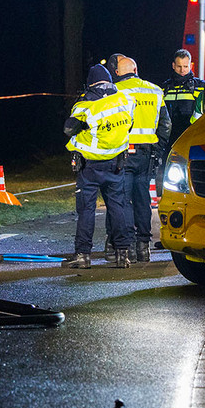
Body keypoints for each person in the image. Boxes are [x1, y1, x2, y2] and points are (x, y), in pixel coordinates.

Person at [62, 63, 134, 269]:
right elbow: (129, 124)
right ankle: (123, 254)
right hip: (116, 164)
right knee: (117, 208)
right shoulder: (124, 100)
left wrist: (82, 124)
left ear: (91, 83)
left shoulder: (85, 105)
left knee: (86, 210)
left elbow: (68, 129)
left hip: (90, 167)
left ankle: (83, 255)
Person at [112, 55, 171, 263]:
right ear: (136, 70)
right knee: (143, 199)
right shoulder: (155, 90)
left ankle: (124, 246)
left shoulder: (117, 90)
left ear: (118, 73)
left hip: (124, 152)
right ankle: (144, 247)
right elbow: (165, 124)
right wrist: (158, 147)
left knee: (123, 200)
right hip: (148, 153)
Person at [163, 49, 204, 144]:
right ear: (173, 65)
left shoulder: (200, 86)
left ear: (191, 66)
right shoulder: (165, 87)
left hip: (191, 135)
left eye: (185, 66)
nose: (182, 70)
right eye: (179, 66)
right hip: (170, 137)